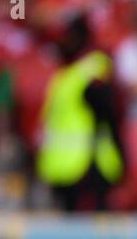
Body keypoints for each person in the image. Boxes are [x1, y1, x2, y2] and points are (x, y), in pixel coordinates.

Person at [36, 15, 125, 211]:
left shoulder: (93, 69)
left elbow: (109, 114)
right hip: (63, 167)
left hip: (91, 165)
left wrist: (122, 157)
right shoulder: (62, 77)